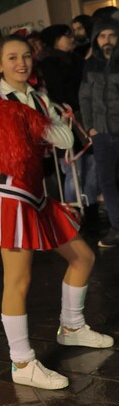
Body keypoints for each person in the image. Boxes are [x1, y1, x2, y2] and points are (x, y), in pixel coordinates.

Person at [0, 35, 113, 390]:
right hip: (9, 196)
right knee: (18, 281)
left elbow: (66, 140)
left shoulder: (39, 98)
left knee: (82, 257)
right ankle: (21, 362)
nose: (21, 63)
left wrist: (42, 119)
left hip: (36, 196)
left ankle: (72, 327)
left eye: (26, 56)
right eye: (12, 57)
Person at [79, 18, 119, 249]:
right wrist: (90, 126)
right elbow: (84, 96)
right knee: (106, 181)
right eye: (102, 36)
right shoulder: (90, 64)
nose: (107, 40)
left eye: (111, 35)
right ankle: (117, 226)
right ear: (95, 39)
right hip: (101, 134)